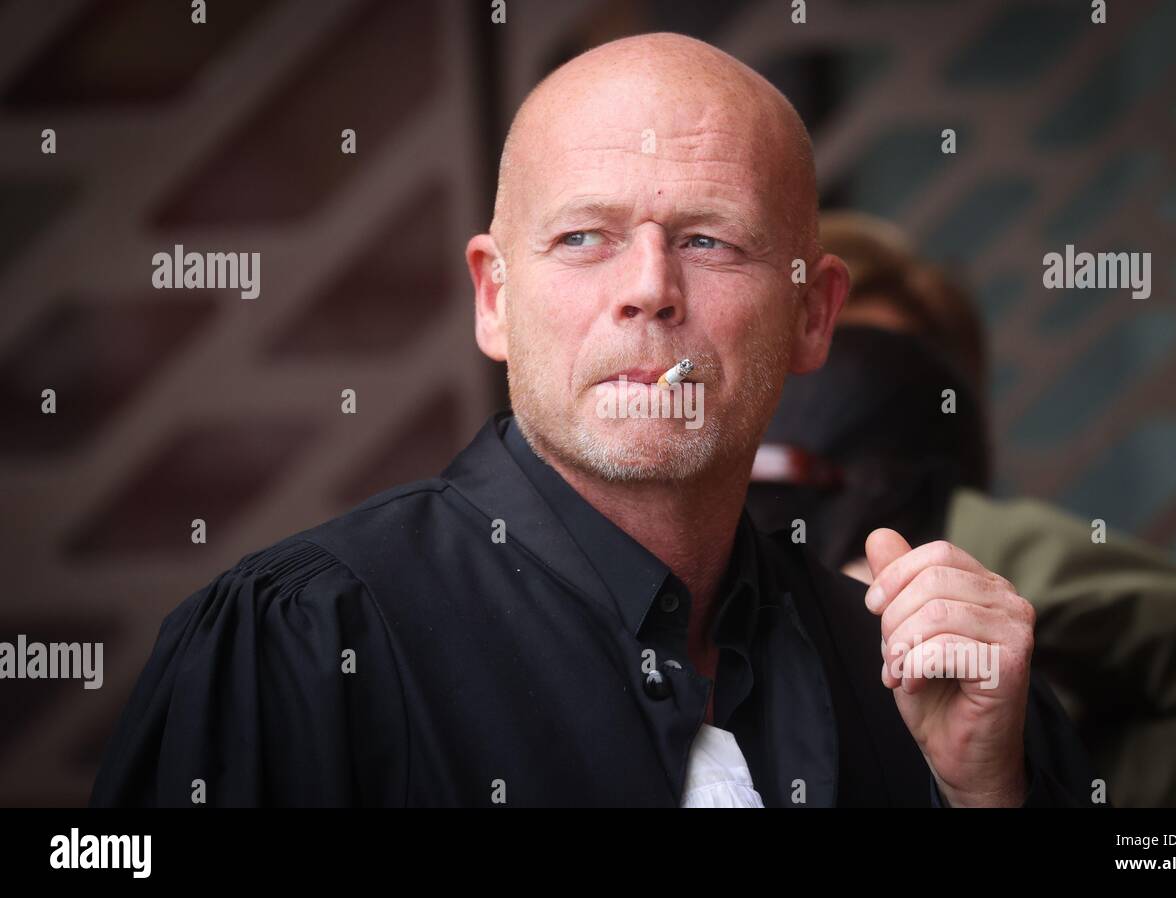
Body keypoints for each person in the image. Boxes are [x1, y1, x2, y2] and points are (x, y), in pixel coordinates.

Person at [89, 34, 1094, 808]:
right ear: (493, 298)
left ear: (812, 314)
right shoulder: (299, 646)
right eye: (583, 237)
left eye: (710, 239)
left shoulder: (911, 685)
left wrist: (986, 798)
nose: (649, 291)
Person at [747, 210, 1176, 807]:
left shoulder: (994, 546)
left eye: (890, 377)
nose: (850, 408)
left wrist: (1040, 762)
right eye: (827, 361)